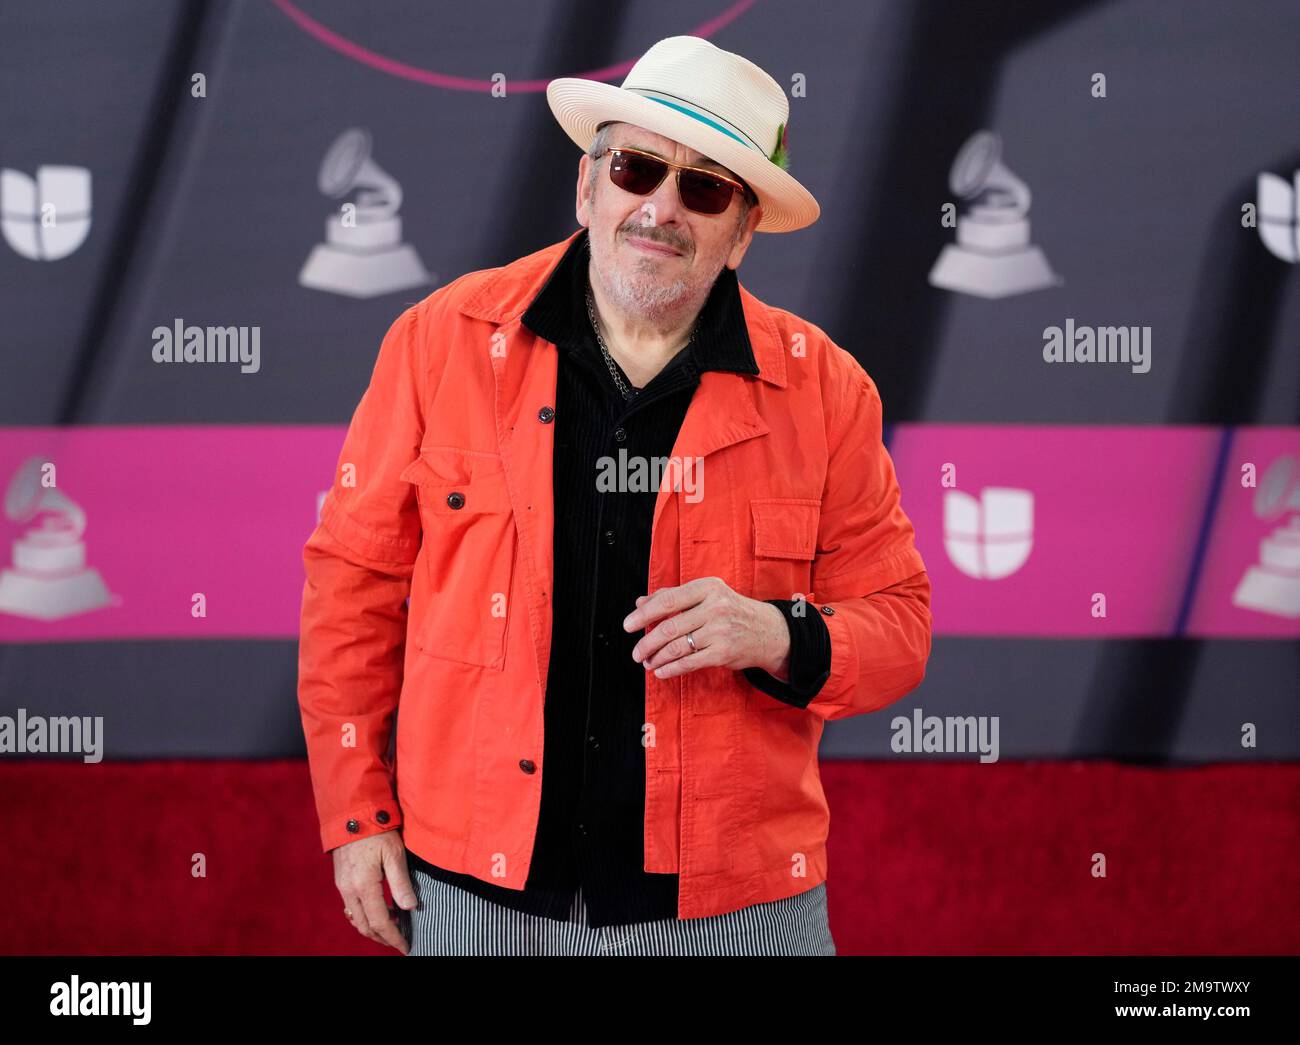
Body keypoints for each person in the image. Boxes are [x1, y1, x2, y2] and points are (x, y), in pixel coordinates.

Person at [297, 34, 931, 956]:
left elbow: (901, 627)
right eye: (637, 169)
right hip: (478, 895)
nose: (662, 209)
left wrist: (781, 633)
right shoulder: (440, 343)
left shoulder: (829, 393)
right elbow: (352, 583)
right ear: (589, 187)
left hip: (737, 908)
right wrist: (357, 812)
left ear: (743, 230)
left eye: (706, 188)